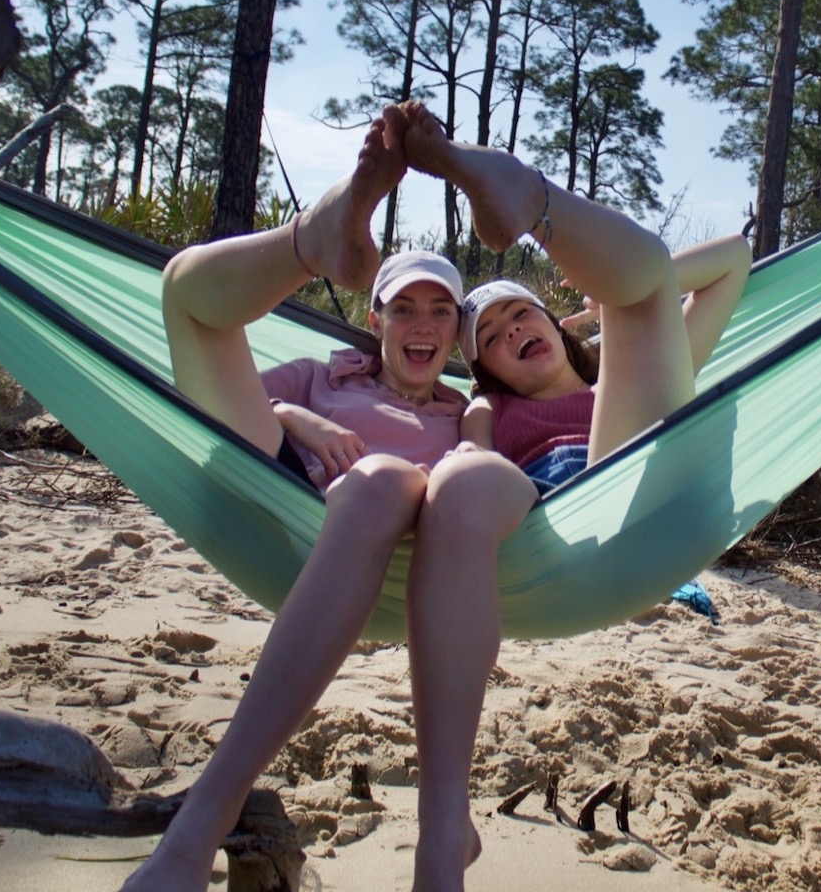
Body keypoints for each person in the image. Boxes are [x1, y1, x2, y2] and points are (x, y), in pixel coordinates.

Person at [126, 114, 536, 892]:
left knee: (383, 478)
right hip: (290, 498)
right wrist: (299, 418)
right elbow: (232, 395)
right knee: (187, 292)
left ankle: (197, 834)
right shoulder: (320, 376)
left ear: (456, 333)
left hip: (407, 534)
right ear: (375, 320)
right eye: (404, 308)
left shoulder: (470, 412)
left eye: (440, 311)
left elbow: (529, 443)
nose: (421, 325)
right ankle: (312, 242)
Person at [393, 99, 752, 494]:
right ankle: (531, 196)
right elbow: (473, 461)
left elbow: (736, 256)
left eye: (520, 313)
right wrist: (626, 293)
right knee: (640, 277)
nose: (511, 330)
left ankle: (531, 197)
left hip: (659, 491)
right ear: (490, 375)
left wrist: (621, 292)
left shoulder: (633, 374)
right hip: (579, 516)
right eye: (491, 338)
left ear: (554, 324)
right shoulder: (491, 408)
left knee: (645, 271)